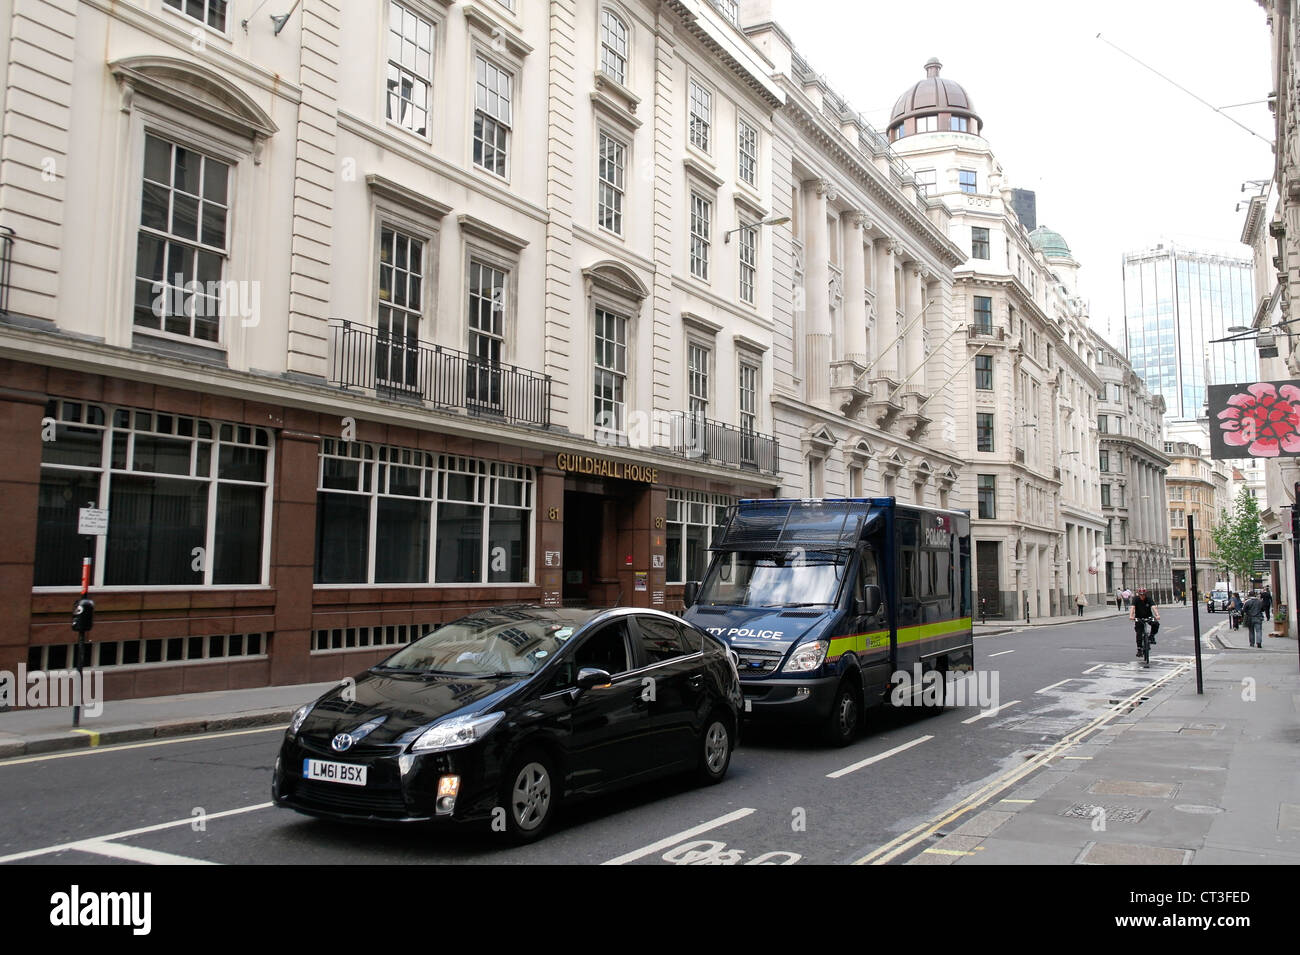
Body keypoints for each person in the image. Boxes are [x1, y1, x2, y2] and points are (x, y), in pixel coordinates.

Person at [1129, 587, 1159, 656]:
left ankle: (1151, 636)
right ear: (1138, 594)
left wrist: (1157, 615)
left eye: (1143, 595)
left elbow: (1153, 607)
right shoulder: (1135, 599)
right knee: (1139, 633)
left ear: (1145, 594)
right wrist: (1131, 616)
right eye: (1141, 595)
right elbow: (1132, 607)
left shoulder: (1149, 599)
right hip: (1139, 617)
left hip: (1148, 616)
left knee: (1156, 623)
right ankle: (1139, 649)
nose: (1142, 596)